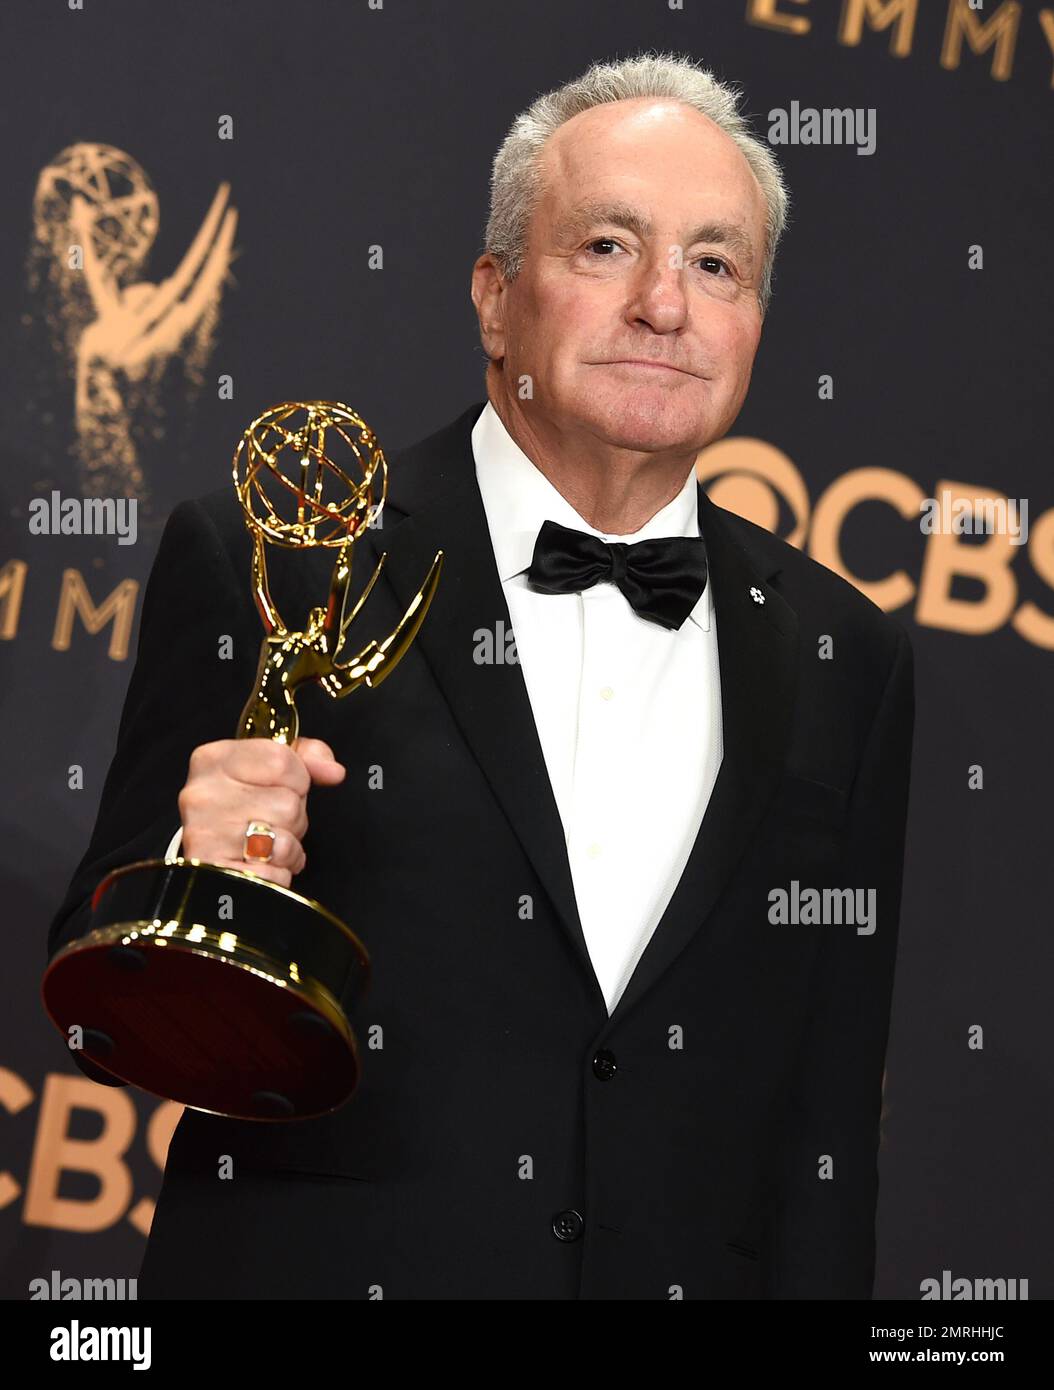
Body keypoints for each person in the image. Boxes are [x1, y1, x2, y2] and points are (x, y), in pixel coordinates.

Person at [47, 52, 915, 1300]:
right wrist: (202, 898)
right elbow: (97, 1012)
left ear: (756, 322)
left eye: (716, 264)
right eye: (609, 246)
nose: (666, 305)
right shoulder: (277, 557)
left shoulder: (848, 657)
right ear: (494, 296)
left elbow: (829, 1133)